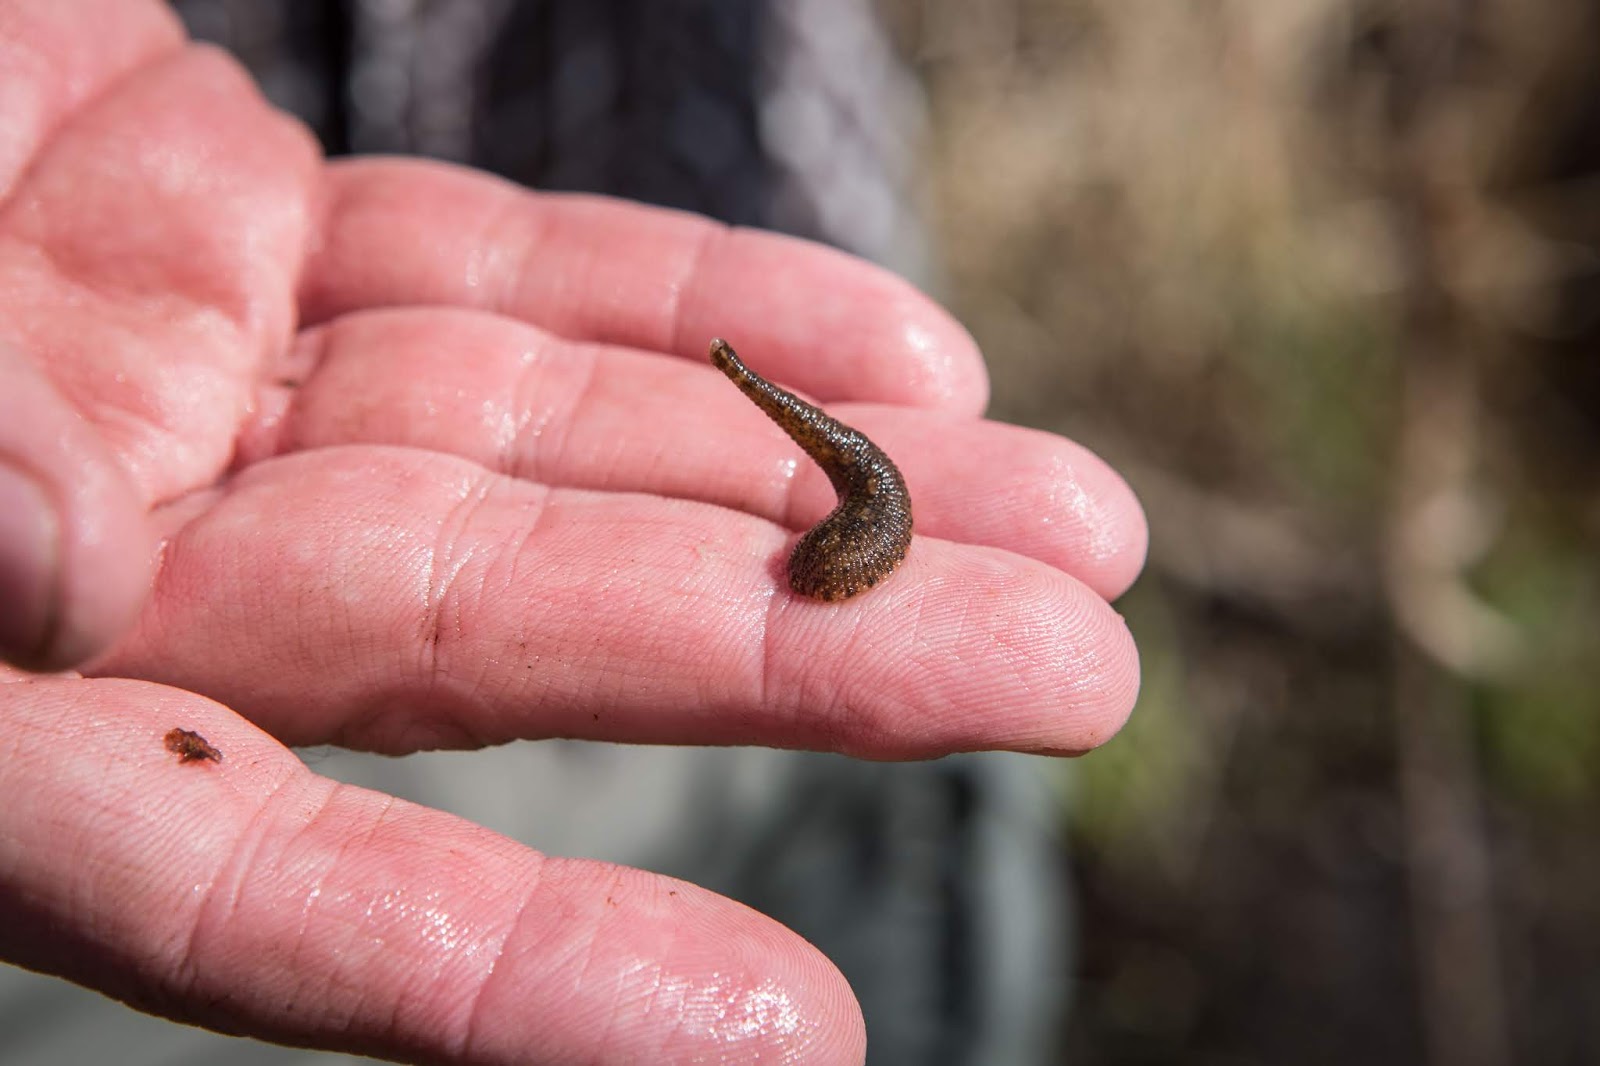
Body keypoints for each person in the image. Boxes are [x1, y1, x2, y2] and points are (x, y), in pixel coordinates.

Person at [0, 1, 1146, 1062]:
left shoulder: (858, 490)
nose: (820, 566)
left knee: (901, 876)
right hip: (333, 297)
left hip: (762, 196)